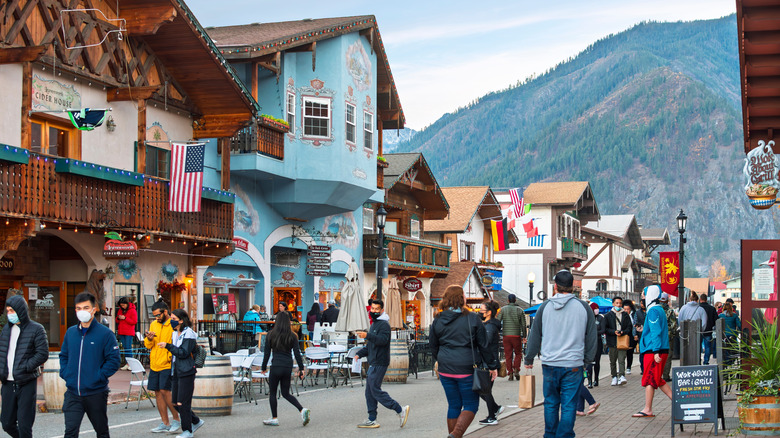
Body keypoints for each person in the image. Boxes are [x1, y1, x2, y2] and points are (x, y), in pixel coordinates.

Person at [524, 270, 597, 438]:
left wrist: (529, 357)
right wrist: (588, 359)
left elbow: (535, 334)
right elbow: (592, 336)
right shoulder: (583, 307)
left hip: (550, 363)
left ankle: (550, 435)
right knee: (569, 404)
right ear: (573, 287)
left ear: (555, 286)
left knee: (550, 403)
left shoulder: (545, 307)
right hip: (573, 363)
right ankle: (564, 435)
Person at [430, 286, 496, 438]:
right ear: (462, 298)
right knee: (471, 405)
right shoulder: (472, 318)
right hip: (466, 368)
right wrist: (492, 366)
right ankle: (455, 435)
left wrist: (441, 359)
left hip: (446, 368)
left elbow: (433, 345)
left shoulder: (438, 319)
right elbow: (483, 345)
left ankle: (453, 435)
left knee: (454, 405)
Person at [60, 292, 121, 438]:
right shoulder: (70, 333)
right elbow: (64, 356)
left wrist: (98, 376)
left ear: (94, 309)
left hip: (96, 393)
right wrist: (66, 373)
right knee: (70, 431)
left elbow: (114, 360)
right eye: (78, 308)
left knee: (101, 431)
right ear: (75, 310)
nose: (82, 311)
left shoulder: (105, 334)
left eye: (86, 307)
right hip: (73, 393)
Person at [355, 300, 410, 430]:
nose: (373, 311)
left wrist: (367, 335)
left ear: (381, 310)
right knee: (369, 391)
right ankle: (372, 419)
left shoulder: (384, 325)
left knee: (374, 389)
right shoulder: (374, 324)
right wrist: (358, 354)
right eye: (372, 308)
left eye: (376, 309)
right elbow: (370, 346)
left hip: (380, 362)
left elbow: (383, 341)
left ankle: (399, 409)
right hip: (374, 361)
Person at [0, 295, 48, 438]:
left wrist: (26, 366)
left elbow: (42, 354)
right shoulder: (6, 330)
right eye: (8, 311)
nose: (10, 314)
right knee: (6, 423)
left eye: (12, 310)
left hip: (26, 382)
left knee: (24, 425)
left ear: (20, 310)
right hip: (7, 383)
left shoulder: (36, 329)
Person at [158, 309, 205, 438]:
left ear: (181, 320)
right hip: (176, 370)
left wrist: (168, 346)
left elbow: (183, 353)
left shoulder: (189, 334)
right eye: (171, 318)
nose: (171, 321)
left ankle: (187, 431)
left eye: (174, 319)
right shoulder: (175, 333)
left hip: (187, 370)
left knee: (183, 402)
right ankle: (196, 421)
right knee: (174, 402)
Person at [260, 311, 310, 426]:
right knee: (286, 393)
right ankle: (302, 410)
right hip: (287, 366)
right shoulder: (293, 335)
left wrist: (263, 367)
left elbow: (266, 354)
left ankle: (274, 418)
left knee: (273, 393)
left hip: (276, 365)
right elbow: (297, 353)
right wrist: (301, 368)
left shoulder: (270, 334)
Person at [633, 285, 672, 418]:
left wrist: (655, 351)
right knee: (657, 379)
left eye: (644, 294)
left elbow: (656, 332)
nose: (643, 297)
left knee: (650, 379)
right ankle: (678, 402)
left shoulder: (653, 311)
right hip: (659, 348)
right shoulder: (659, 309)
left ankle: (647, 408)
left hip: (654, 350)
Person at [144, 299, 181, 434]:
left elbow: (177, 344)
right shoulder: (154, 324)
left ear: (165, 312)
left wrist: (170, 357)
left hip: (167, 363)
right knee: (158, 393)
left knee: (166, 392)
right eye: (154, 315)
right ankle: (165, 422)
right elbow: (148, 345)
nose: (156, 318)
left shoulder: (172, 325)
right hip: (155, 363)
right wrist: (148, 338)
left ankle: (176, 419)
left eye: (158, 315)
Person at [478, 300, 505, 426]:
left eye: (482, 309)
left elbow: (486, 345)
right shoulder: (488, 324)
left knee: (484, 390)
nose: (479, 311)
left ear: (488, 312)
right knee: (484, 390)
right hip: (489, 361)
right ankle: (494, 409)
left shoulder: (490, 327)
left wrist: (490, 364)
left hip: (489, 362)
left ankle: (492, 415)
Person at [497, 293, 527, 381]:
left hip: (506, 335)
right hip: (516, 335)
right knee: (518, 353)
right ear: (515, 300)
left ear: (508, 300)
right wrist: (524, 336)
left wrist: (498, 332)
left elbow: (498, 321)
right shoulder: (520, 310)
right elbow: (523, 325)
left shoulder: (503, 310)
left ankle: (510, 372)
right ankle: (516, 368)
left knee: (508, 355)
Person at [604, 296, 631, 386]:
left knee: (621, 359)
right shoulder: (608, 315)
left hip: (622, 341)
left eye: (620, 303)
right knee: (612, 360)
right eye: (617, 303)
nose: (619, 305)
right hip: (612, 341)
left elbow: (629, 327)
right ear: (613, 304)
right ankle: (614, 376)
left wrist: (623, 332)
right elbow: (605, 329)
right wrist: (613, 332)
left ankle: (622, 376)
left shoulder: (625, 315)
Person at [678, 292, 707, 360]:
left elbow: (680, 320)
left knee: (685, 349)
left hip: (685, 333)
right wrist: (700, 331)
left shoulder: (683, 308)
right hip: (697, 333)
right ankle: (696, 362)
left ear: (689, 300)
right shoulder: (701, 310)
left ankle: (686, 362)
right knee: (696, 350)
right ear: (697, 300)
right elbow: (704, 323)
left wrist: (682, 329)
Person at [659, 293, 679, 382]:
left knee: (657, 355)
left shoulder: (655, 310)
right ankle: (665, 375)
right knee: (667, 356)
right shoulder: (670, 311)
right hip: (668, 337)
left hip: (657, 337)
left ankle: (657, 375)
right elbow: (674, 325)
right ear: (667, 301)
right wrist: (672, 334)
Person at [115, 297, 138, 371]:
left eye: (123, 305)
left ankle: (131, 363)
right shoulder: (120, 310)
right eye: (121, 305)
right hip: (121, 331)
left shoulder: (133, 311)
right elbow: (117, 320)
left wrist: (125, 318)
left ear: (127, 304)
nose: (122, 306)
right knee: (125, 347)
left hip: (129, 332)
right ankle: (127, 363)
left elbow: (134, 321)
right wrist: (118, 318)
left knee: (128, 348)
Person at [586, 302, 605, 388]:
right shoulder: (587, 318)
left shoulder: (601, 318)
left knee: (597, 362)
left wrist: (593, 333)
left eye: (597, 308)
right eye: (594, 308)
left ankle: (596, 379)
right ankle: (589, 380)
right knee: (589, 362)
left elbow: (603, 330)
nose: (596, 310)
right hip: (589, 343)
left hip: (598, 342)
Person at [698, 294, 718, 365]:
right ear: (706, 299)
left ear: (700, 299)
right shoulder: (712, 308)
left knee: (698, 346)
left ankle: (698, 361)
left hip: (698, 330)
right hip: (708, 330)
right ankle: (706, 361)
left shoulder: (698, 308)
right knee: (707, 347)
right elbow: (716, 320)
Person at [623, 299, 637, 375]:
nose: (626, 311)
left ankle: (628, 367)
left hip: (631, 335)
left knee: (630, 352)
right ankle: (622, 367)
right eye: (625, 309)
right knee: (622, 352)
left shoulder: (634, 315)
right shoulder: (621, 314)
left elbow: (634, 324)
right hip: (623, 335)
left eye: (627, 309)